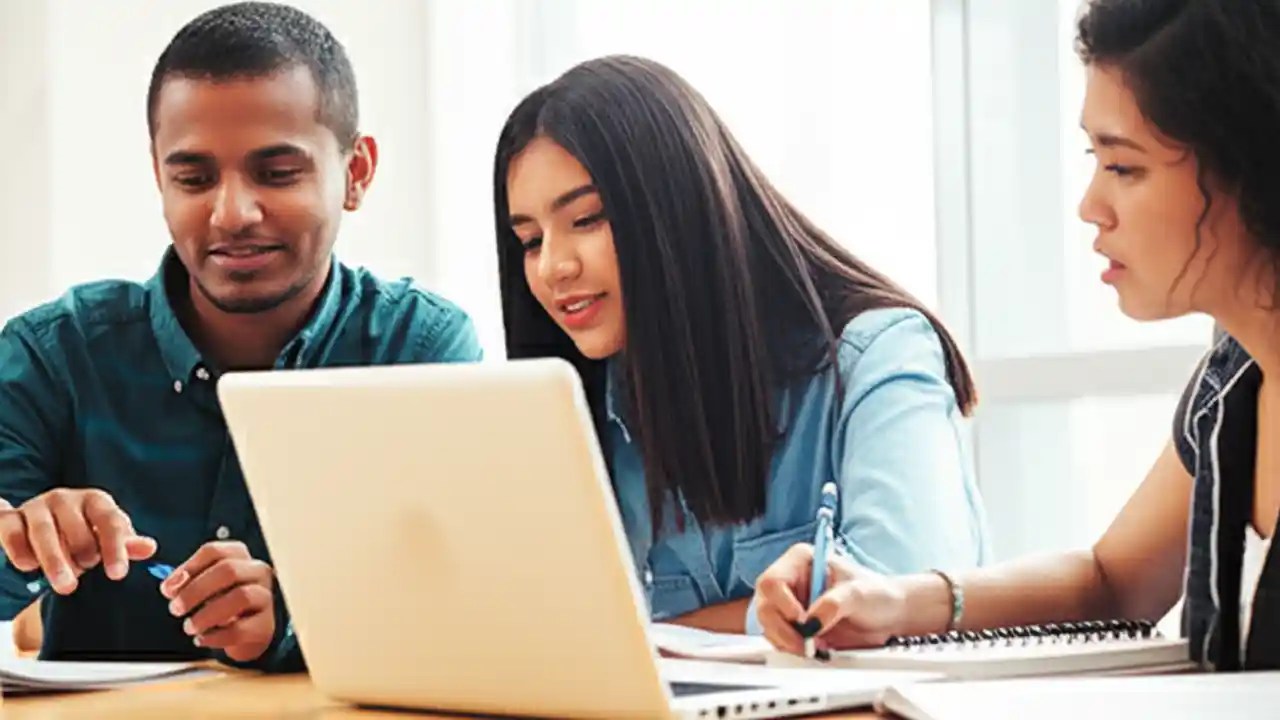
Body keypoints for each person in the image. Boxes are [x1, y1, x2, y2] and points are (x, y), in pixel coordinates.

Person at [754, 0, 1280, 671]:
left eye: (1123, 167)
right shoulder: (1228, 391)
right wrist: (893, 600)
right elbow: (1111, 581)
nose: (1090, 206)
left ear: (1253, 167)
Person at [0, 1, 480, 671]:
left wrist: (290, 625)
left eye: (277, 173)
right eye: (192, 178)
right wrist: (21, 542)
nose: (232, 213)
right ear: (158, 176)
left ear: (357, 173)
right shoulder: (53, 356)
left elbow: (459, 607)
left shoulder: (419, 351)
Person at [492, 55, 990, 634]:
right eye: (529, 240)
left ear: (678, 209)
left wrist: (651, 640)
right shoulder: (587, 400)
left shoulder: (877, 354)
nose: (554, 267)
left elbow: (896, 593)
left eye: (588, 219)